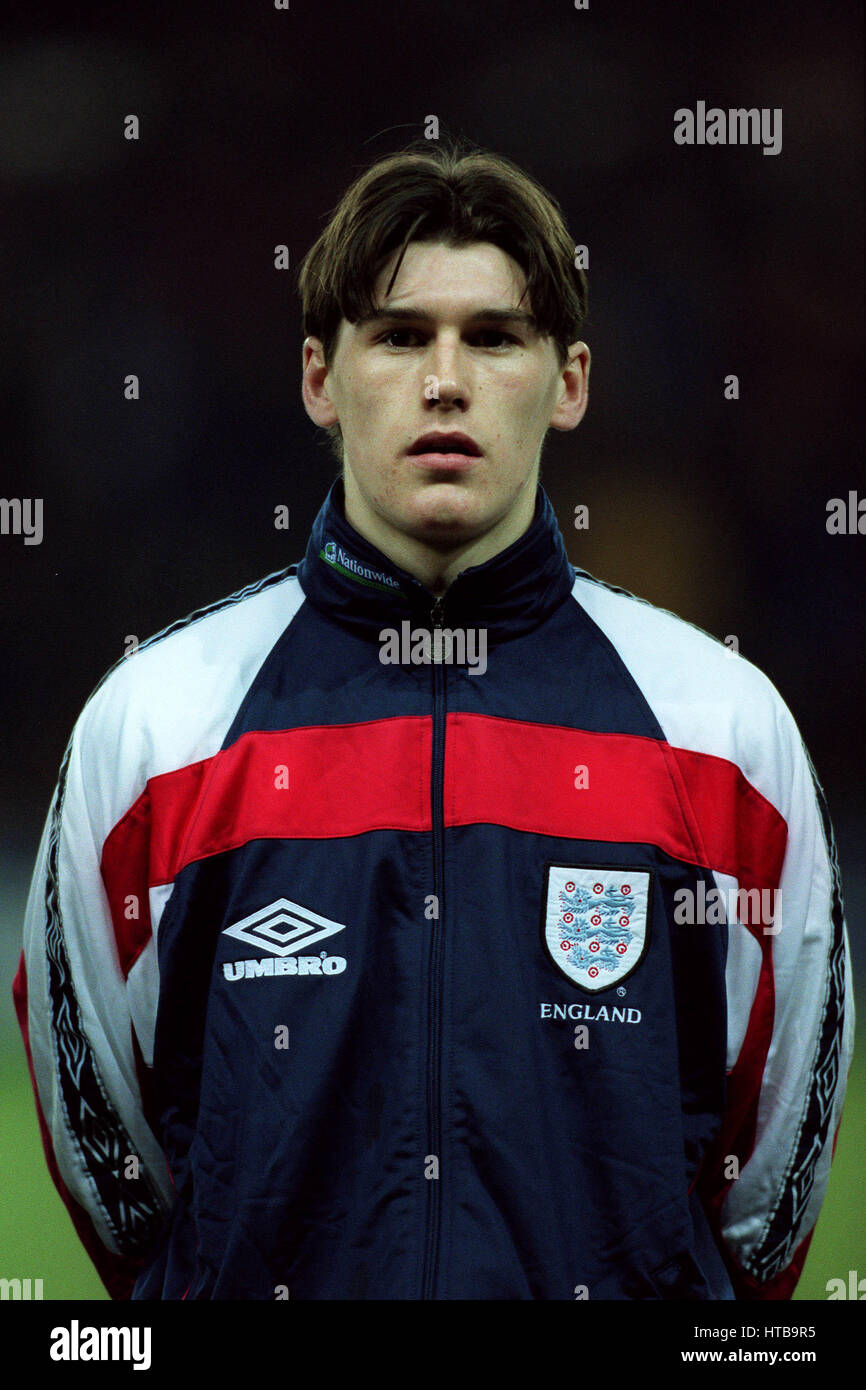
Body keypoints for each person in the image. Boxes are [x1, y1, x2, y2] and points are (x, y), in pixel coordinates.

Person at [14, 138, 854, 1301]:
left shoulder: (722, 731)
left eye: (493, 337)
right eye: (400, 335)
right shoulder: (156, 727)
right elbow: (112, 1167)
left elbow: (769, 1188)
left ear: (568, 383)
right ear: (320, 377)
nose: (444, 380)